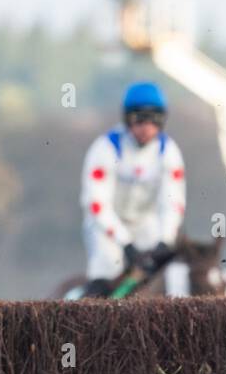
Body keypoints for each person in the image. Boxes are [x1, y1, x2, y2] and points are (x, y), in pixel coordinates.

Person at [79, 82, 188, 297]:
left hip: (145, 223)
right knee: (109, 265)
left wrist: (165, 240)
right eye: (139, 119)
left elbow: (173, 203)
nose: (146, 128)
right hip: (107, 226)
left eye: (153, 120)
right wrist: (126, 243)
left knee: (173, 270)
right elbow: (97, 205)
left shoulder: (169, 152)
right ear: (127, 119)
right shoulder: (105, 148)